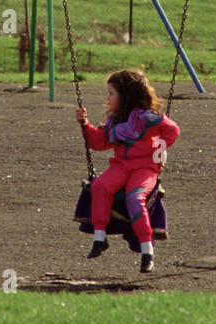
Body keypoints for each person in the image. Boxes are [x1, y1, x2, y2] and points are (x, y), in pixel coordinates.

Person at [76, 69, 179, 274]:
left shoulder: (149, 119)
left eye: (111, 93)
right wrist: (85, 124)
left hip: (145, 168)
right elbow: (98, 142)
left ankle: (146, 250)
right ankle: (99, 238)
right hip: (122, 166)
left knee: (135, 197)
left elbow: (172, 130)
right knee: (100, 186)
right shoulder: (115, 122)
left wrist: (160, 150)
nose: (108, 98)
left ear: (126, 96)